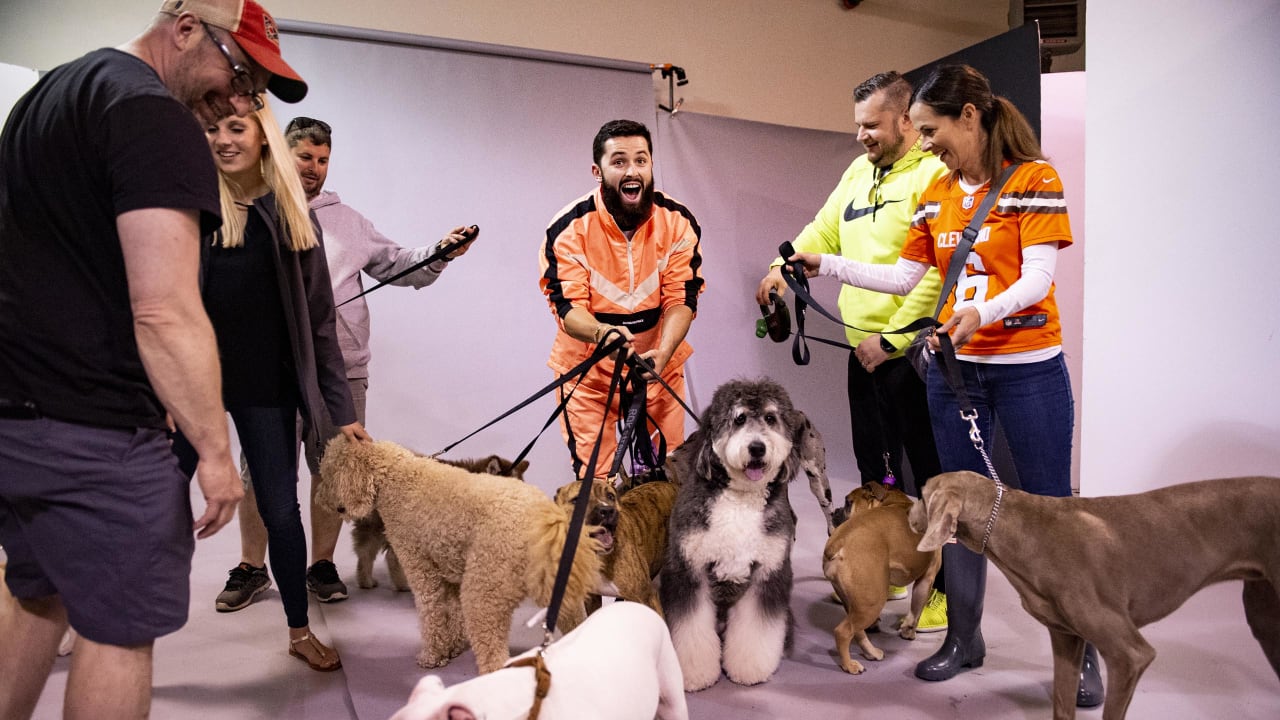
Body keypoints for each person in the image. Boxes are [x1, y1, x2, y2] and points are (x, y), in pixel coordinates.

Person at [0, 1, 304, 716]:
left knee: (36, 591)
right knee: (121, 631)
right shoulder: (152, 114)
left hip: (17, 415)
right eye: (238, 75)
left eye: (252, 92)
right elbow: (164, 310)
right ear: (187, 28)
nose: (237, 100)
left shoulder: (53, 92)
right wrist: (214, 453)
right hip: (94, 430)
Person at [786, 64, 1102, 707]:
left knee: (1053, 518)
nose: (925, 143)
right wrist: (826, 263)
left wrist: (979, 315)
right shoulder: (938, 195)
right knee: (953, 516)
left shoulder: (1035, 180)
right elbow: (906, 277)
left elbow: (1039, 278)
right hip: (956, 378)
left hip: (1028, 372)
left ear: (971, 117)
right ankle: (964, 639)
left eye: (932, 131)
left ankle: (1083, 653)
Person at [209, 115, 477, 610]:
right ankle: (251, 567)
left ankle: (322, 564)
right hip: (271, 372)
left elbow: (400, 265)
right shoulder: (247, 211)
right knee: (259, 473)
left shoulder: (348, 221)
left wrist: (440, 253)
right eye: (304, 157)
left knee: (334, 473)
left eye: (323, 160)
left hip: (342, 370)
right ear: (278, 155)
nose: (313, 169)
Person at [170, 101, 371, 672]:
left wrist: (340, 411)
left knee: (282, 512)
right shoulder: (189, 209)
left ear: (263, 138)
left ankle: (299, 630)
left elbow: (320, 324)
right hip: (191, 391)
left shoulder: (290, 219)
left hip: (267, 389)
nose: (224, 140)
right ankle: (101, 621)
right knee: (153, 505)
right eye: (213, 129)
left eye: (237, 127)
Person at [755, 71, 948, 627]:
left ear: (906, 120)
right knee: (877, 474)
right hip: (859, 351)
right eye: (857, 125)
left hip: (908, 353)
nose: (861, 135)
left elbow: (936, 274)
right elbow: (823, 232)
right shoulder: (858, 172)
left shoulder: (934, 175)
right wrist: (778, 267)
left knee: (927, 478)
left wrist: (891, 341)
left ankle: (942, 591)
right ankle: (885, 568)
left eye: (872, 125)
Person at [539, 119, 705, 481]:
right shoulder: (568, 229)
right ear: (598, 171)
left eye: (641, 160)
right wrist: (603, 335)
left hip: (657, 368)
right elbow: (568, 308)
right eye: (619, 162)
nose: (633, 171)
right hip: (588, 376)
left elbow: (682, 297)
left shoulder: (678, 222)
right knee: (597, 491)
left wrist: (663, 352)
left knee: (671, 483)